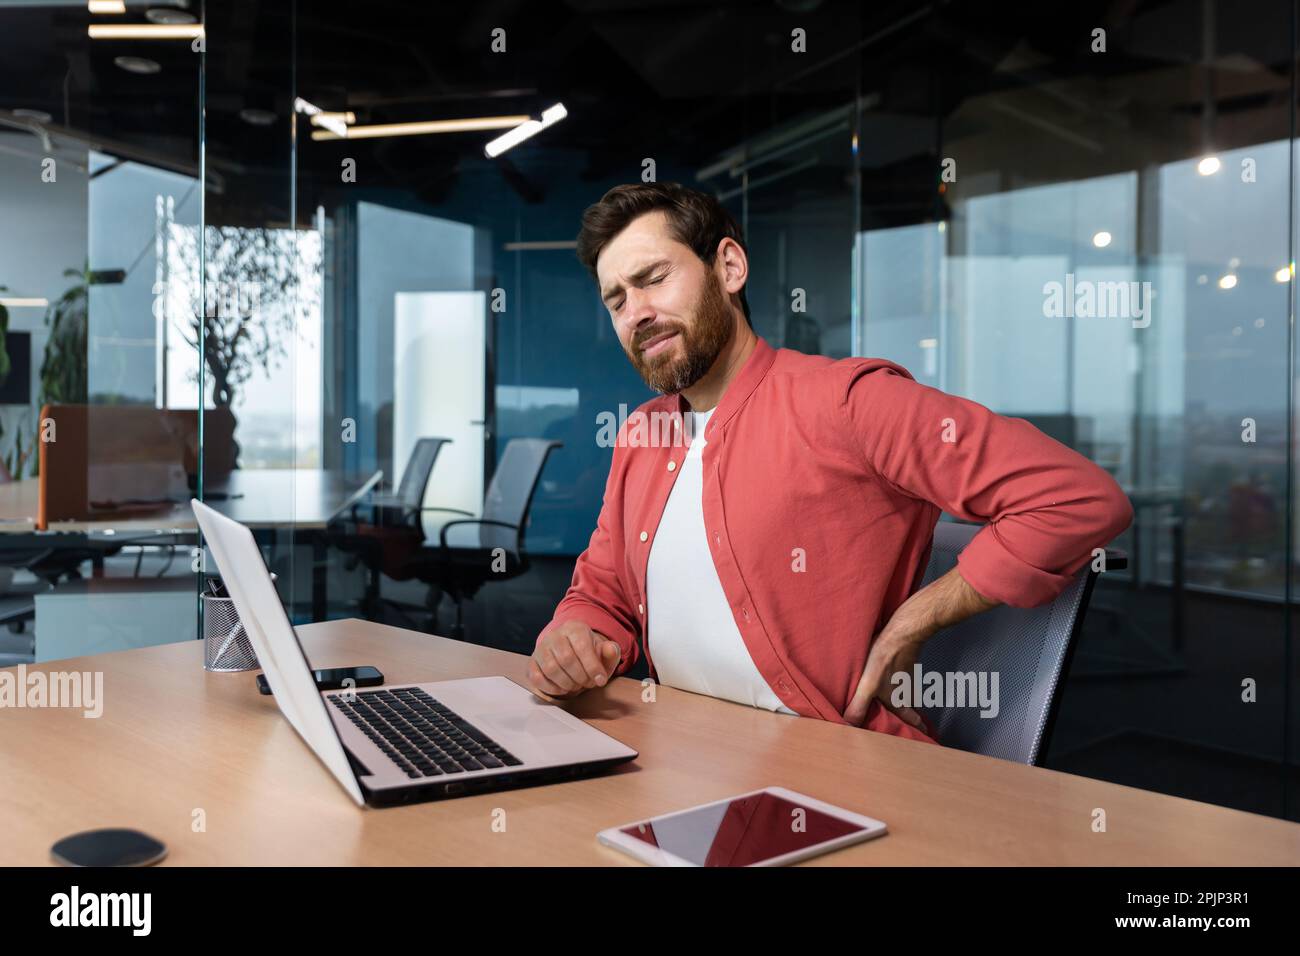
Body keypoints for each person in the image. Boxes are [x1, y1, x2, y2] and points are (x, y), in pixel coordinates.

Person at [528, 181, 1133, 743]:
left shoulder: (849, 402)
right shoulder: (642, 433)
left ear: (729, 267)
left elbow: (1077, 499)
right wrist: (572, 636)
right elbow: (603, 592)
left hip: (828, 767)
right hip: (679, 748)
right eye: (616, 300)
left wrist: (913, 619)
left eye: (654, 278)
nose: (636, 311)